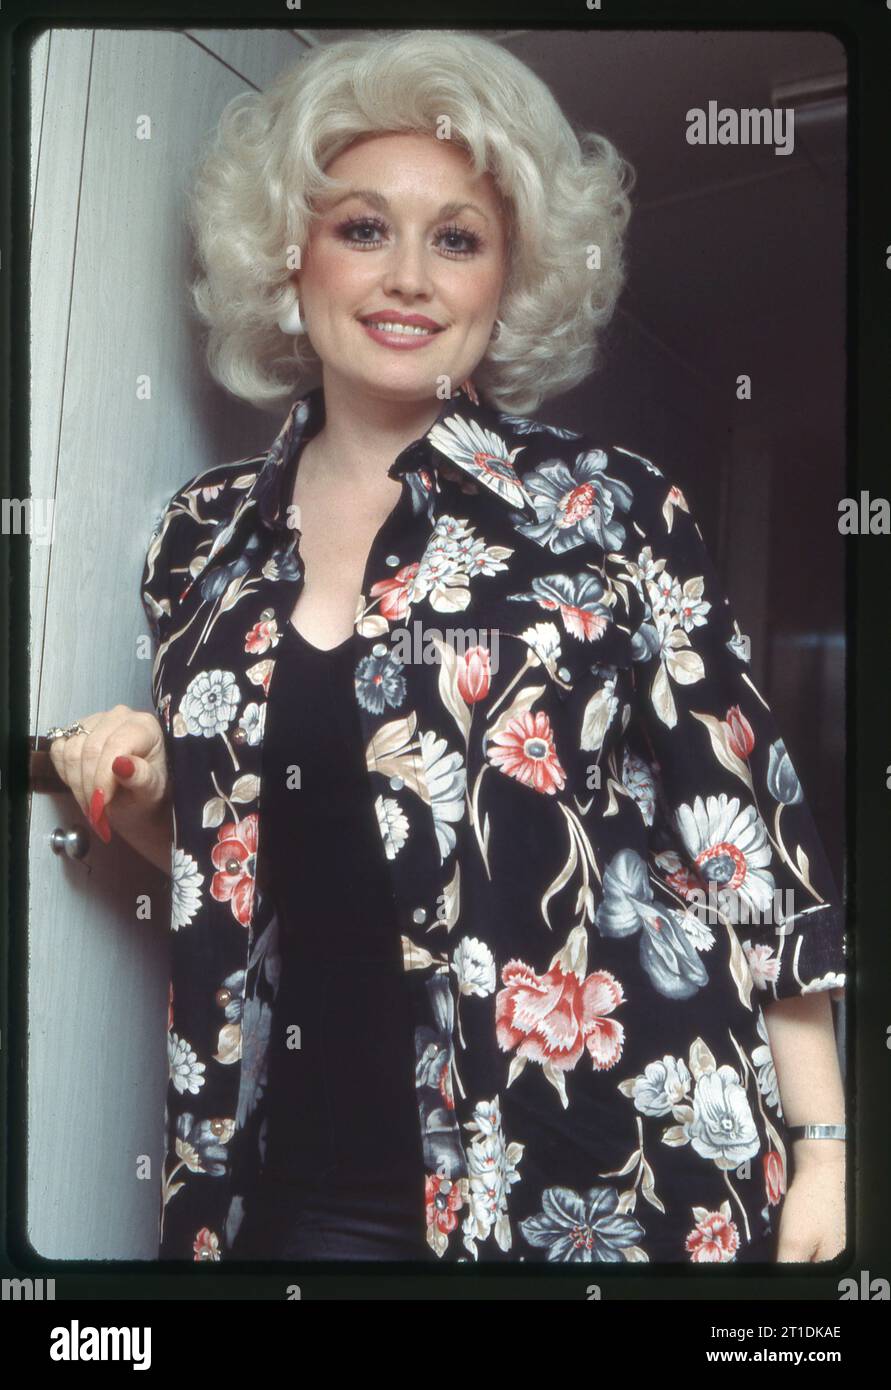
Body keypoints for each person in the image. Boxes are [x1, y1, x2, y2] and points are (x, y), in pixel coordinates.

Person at [47, 30, 846, 1264]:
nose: (408, 275)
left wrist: (831, 1152)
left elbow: (752, 853)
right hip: (279, 1182)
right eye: (364, 228)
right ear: (289, 256)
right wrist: (156, 799)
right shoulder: (202, 539)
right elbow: (253, 862)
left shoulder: (610, 508)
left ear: (508, 278)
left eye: (457, 237)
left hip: (592, 1187)